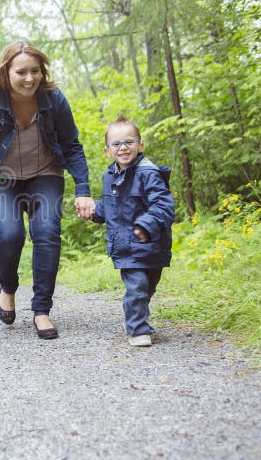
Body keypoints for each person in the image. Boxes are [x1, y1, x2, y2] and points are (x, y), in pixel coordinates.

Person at [0, 41, 94, 340]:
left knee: (47, 232)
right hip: (2, 178)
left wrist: (83, 188)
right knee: (10, 234)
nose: (29, 78)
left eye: (35, 71)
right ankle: (8, 286)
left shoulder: (54, 99)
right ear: (6, 72)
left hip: (45, 174)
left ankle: (41, 310)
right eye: (21, 72)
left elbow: (72, 146)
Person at [88, 116, 175, 347]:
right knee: (136, 287)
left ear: (140, 145)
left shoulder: (149, 174)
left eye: (129, 142)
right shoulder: (110, 177)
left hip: (153, 244)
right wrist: (94, 211)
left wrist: (146, 225)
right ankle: (137, 330)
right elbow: (110, 209)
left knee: (147, 288)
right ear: (108, 151)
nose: (123, 148)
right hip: (126, 246)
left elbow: (163, 206)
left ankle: (138, 316)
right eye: (116, 144)